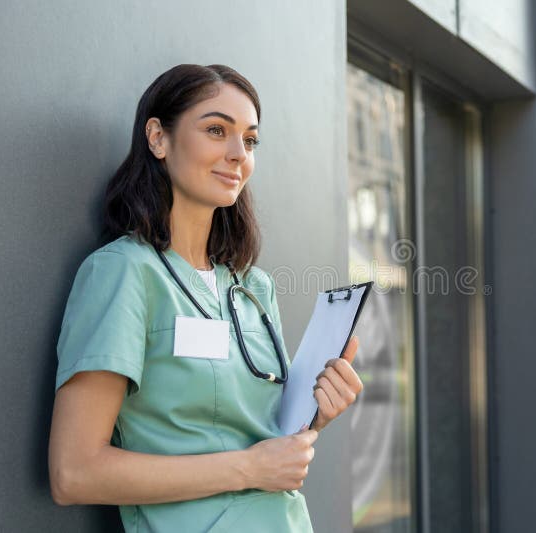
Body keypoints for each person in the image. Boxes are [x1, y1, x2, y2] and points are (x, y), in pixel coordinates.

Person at [48, 64, 363, 532]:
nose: (238, 154)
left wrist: (315, 417)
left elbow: (261, 439)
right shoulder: (123, 272)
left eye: (250, 140)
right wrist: (249, 468)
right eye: (217, 130)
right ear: (158, 138)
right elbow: (73, 473)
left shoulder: (254, 288)